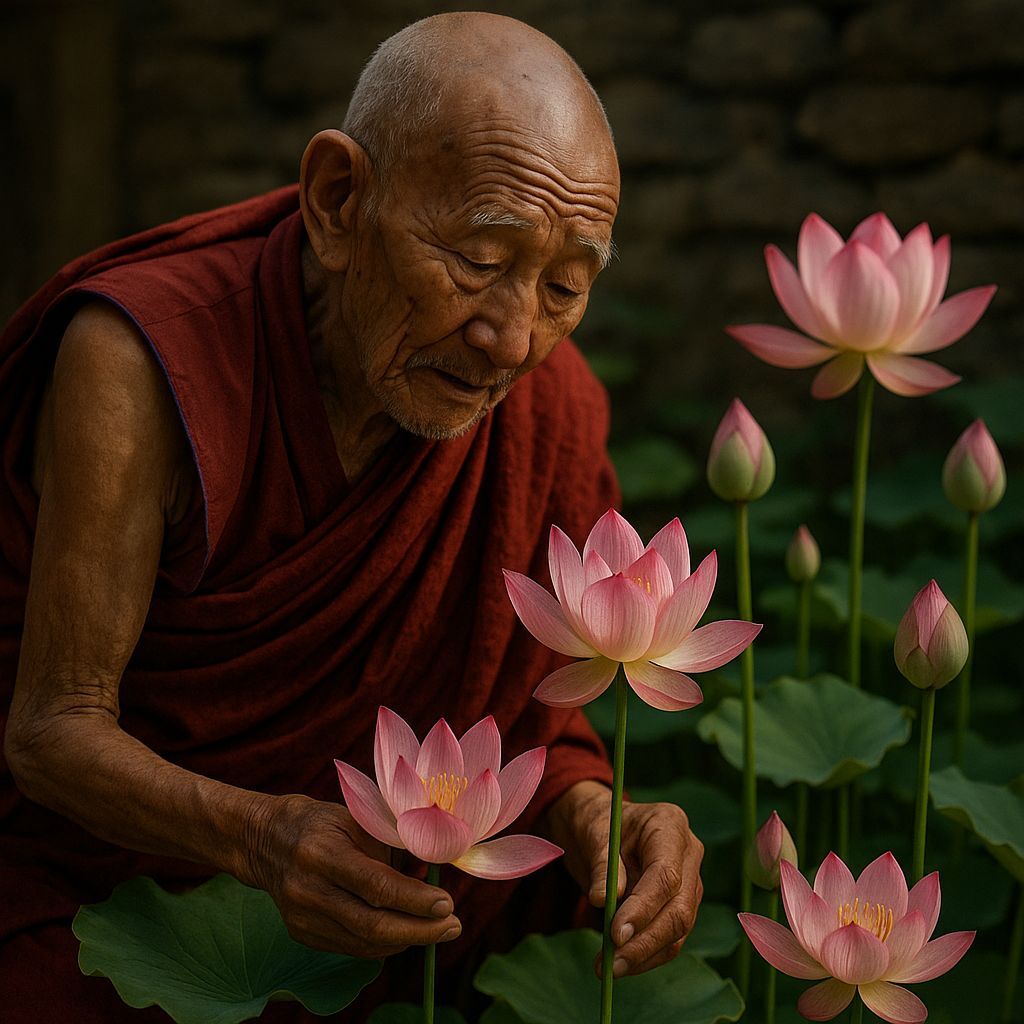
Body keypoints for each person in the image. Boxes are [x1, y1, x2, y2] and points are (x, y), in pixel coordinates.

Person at [0, 12, 704, 1019]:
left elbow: (518, 710)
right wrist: (261, 838)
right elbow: (51, 731)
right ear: (338, 200)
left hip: (392, 901)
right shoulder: (144, 364)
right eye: (478, 258)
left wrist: (596, 808)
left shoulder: (554, 411)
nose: (513, 340)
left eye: (562, 286)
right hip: (116, 890)